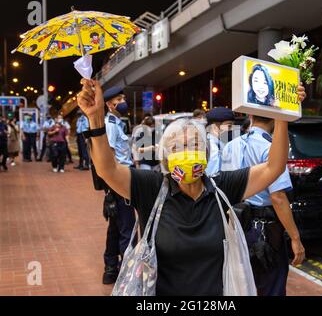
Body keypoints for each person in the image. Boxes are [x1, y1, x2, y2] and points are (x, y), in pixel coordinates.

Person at [77, 78, 306, 296]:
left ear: (206, 152)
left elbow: (273, 167)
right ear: (166, 155)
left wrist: (282, 116)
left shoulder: (221, 188)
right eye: (178, 146)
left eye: (194, 144)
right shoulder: (151, 188)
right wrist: (96, 120)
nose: (186, 151)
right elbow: (107, 169)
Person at [222, 115, 306, 296]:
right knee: (271, 287)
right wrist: (295, 238)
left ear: (251, 116)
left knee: (242, 287)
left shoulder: (230, 146)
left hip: (236, 226)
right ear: (275, 120)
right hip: (265, 231)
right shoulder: (272, 149)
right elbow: (278, 197)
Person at [101, 86, 136, 285]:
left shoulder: (117, 123)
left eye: (123, 97)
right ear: (109, 104)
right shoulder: (111, 125)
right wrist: (113, 187)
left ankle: (110, 268)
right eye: (119, 98)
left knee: (115, 227)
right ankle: (127, 274)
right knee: (127, 227)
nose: (123, 101)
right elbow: (110, 157)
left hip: (120, 179)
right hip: (120, 180)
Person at [205, 107, 236, 176]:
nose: (232, 129)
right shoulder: (210, 147)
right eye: (229, 125)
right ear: (214, 127)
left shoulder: (221, 143)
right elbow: (213, 175)